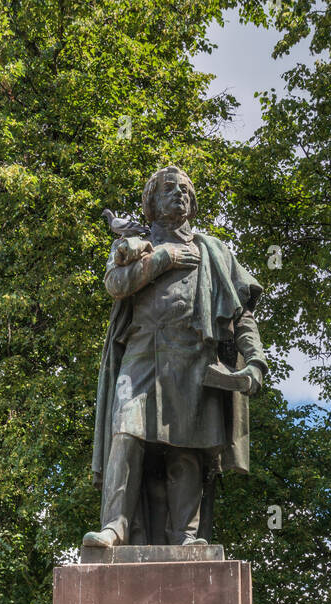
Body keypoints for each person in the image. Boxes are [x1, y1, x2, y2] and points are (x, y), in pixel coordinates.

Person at [84, 165, 268, 548]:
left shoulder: (212, 250)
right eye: (169, 188)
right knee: (125, 432)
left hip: (193, 357)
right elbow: (115, 284)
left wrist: (255, 361)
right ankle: (114, 527)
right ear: (151, 201)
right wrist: (163, 257)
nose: (179, 194)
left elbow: (241, 314)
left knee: (186, 446)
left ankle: (186, 536)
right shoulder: (134, 244)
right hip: (141, 354)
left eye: (185, 189)